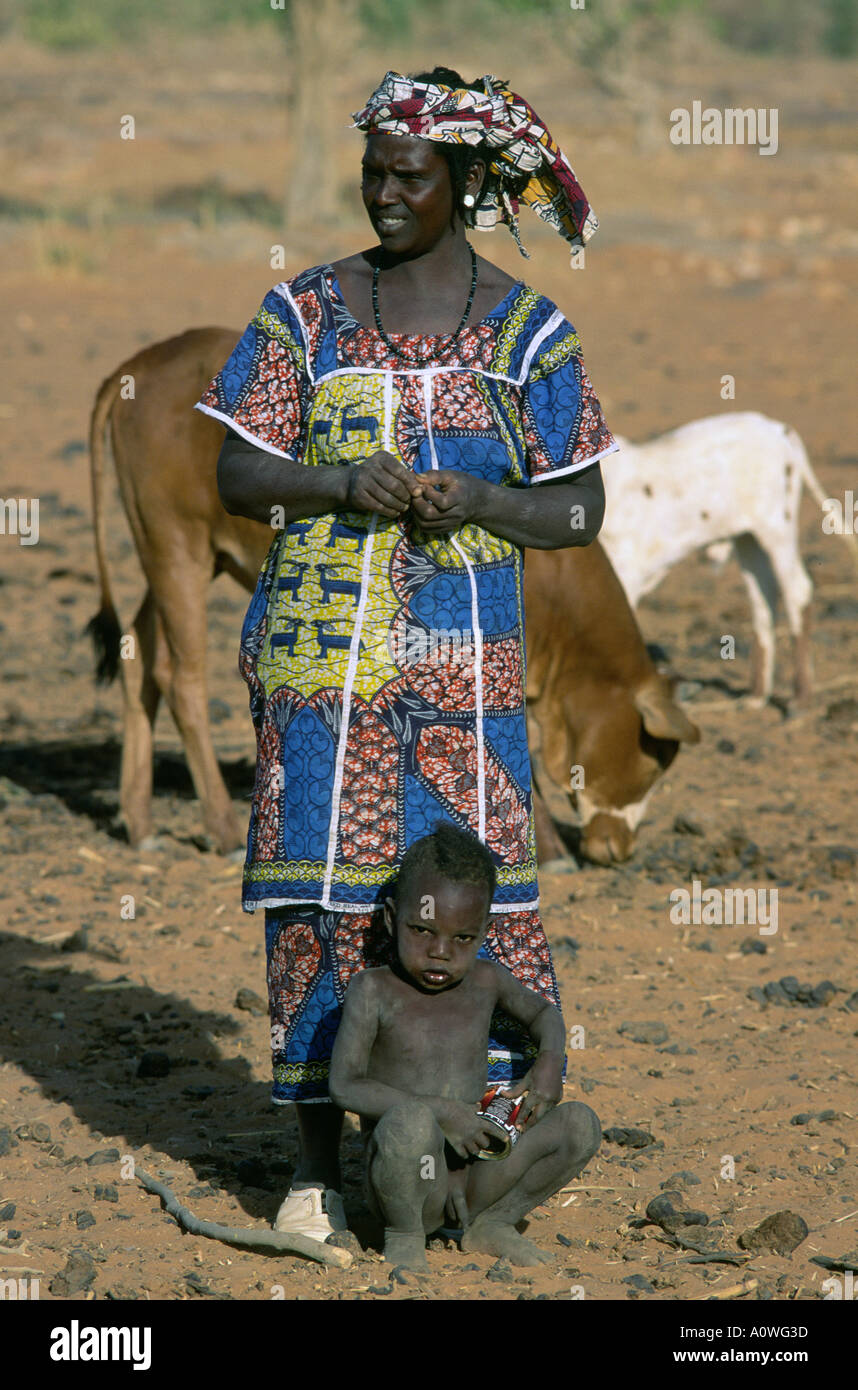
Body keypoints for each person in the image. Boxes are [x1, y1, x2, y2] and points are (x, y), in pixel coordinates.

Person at [195, 65, 616, 1242]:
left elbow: (580, 509)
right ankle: (318, 1171)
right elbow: (236, 471)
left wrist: (480, 493)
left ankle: (461, 1151)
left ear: (468, 182)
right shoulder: (304, 314)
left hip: (463, 682)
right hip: (318, 667)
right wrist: (336, 481)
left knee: (464, 899)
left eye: (410, 174)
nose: (384, 192)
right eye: (373, 170)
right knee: (320, 906)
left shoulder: (530, 336)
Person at [329, 820, 601, 1270]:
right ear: (391, 919)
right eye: (421, 931)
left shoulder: (486, 981)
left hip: (479, 1171)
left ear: (483, 930)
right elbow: (345, 1086)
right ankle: (405, 1235)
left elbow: (543, 1014)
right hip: (413, 1181)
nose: (440, 952)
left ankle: (492, 1222)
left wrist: (550, 1061)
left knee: (579, 1126)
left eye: (462, 938)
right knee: (410, 1124)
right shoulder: (372, 990)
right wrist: (444, 1112)